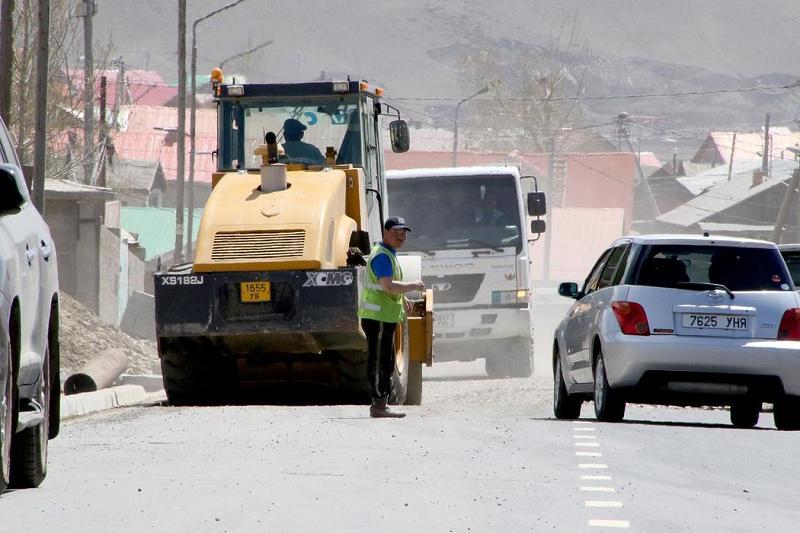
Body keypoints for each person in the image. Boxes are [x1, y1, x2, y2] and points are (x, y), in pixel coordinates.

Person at [358, 216, 425, 418]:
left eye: (403, 233)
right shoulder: (383, 256)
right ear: (385, 233)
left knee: (385, 360)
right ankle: (378, 405)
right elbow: (388, 286)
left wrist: (402, 298)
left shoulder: (388, 254)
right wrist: (414, 285)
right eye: (395, 233)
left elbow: (387, 287)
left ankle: (381, 403)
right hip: (377, 317)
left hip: (383, 317)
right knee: (379, 361)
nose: (400, 236)